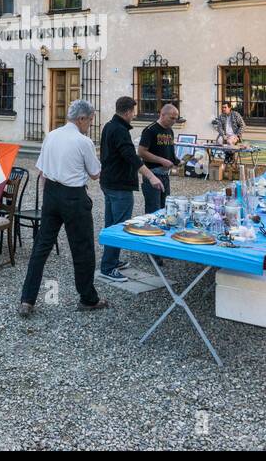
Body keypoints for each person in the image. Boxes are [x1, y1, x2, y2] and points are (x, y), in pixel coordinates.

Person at [19, 99, 109, 316]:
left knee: (41, 247)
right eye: (89, 120)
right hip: (73, 196)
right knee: (83, 248)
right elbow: (95, 174)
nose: (90, 124)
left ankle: (27, 299)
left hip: (51, 192)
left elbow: (40, 170)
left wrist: (48, 194)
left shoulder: (51, 135)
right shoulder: (83, 141)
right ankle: (88, 298)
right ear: (81, 118)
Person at [97, 96, 163, 282]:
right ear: (127, 112)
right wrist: (150, 176)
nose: (134, 116)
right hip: (119, 185)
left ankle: (112, 260)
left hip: (108, 182)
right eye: (133, 112)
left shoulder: (109, 126)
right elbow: (131, 157)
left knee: (111, 223)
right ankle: (108, 267)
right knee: (118, 226)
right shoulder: (120, 130)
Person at [138, 103, 180, 215]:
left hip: (165, 175)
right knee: (154, 210)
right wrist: (162, 161)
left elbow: (168, 151)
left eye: (176, 118)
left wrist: (177, 161)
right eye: (172, 118)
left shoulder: (170, 130)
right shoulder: (150, 130)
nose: (174, 121)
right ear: (162, 114)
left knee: (165, 208)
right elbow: (141, 152)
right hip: (152, 174)